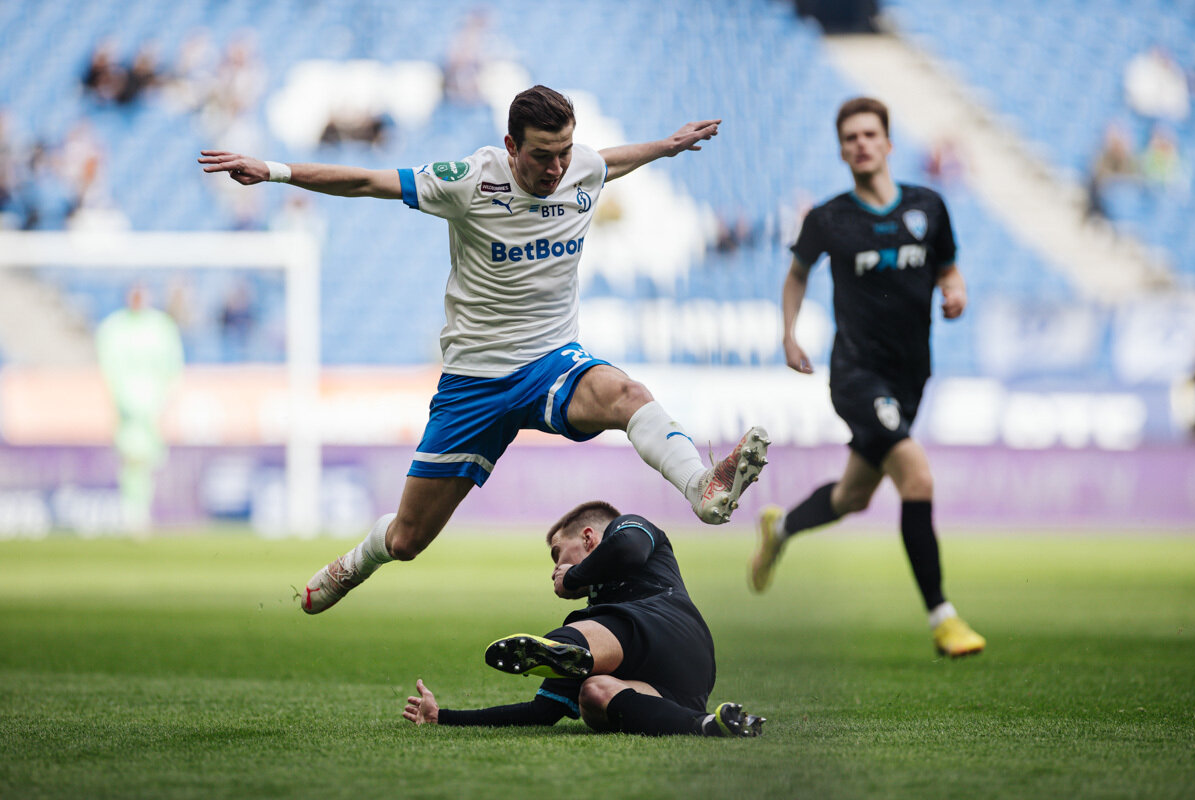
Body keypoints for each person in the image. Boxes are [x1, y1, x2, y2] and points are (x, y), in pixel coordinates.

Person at [199, 85, 770, 614]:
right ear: (509, 147)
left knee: (627, 393)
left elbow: (607, 161)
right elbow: (366, 181)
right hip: (473, 383)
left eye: (566, 152)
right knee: (406, 539)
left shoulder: (582, 167)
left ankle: (702, 488)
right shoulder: (469, 180)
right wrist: (273, 171)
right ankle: (353, 564)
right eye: (543, 155)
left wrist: (666, 148)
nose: (557, 168)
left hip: (550, 362)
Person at [749, 97, 985, 658]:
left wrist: (956, 292)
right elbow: (796, 275)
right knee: (917, 477)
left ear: (887, 143)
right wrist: (789, 333)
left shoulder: (929, 204)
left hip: (911, 374)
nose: (860, 143)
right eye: (850, 136)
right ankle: (943, 618)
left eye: (869, 134)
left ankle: (780, 530)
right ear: (841, 149)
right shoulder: (829, 218)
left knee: (854, 496)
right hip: (856, 372)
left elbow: (948, 268)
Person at [401, 501, 764, 737]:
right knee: (594, 693)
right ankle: (704, 725)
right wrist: (443, 717)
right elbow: (541, 713)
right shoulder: (598, 612)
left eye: (559, 553)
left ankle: (561, 647)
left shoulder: (630, 526)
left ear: (589, 537)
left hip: (670, 626)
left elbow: (628, 551)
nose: (556, 568)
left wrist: (573, 577)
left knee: (583, 626)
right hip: (680, 691)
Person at [95, 283, 185, 532]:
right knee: (131, 458)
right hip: (126, 407)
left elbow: (173, 365)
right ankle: (133, 513)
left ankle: (140, 511)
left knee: (147, 459)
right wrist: (117, 400)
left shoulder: (161, 327)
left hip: (154, 407)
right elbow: (108, 367)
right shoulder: (113, 327)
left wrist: (167, 400)